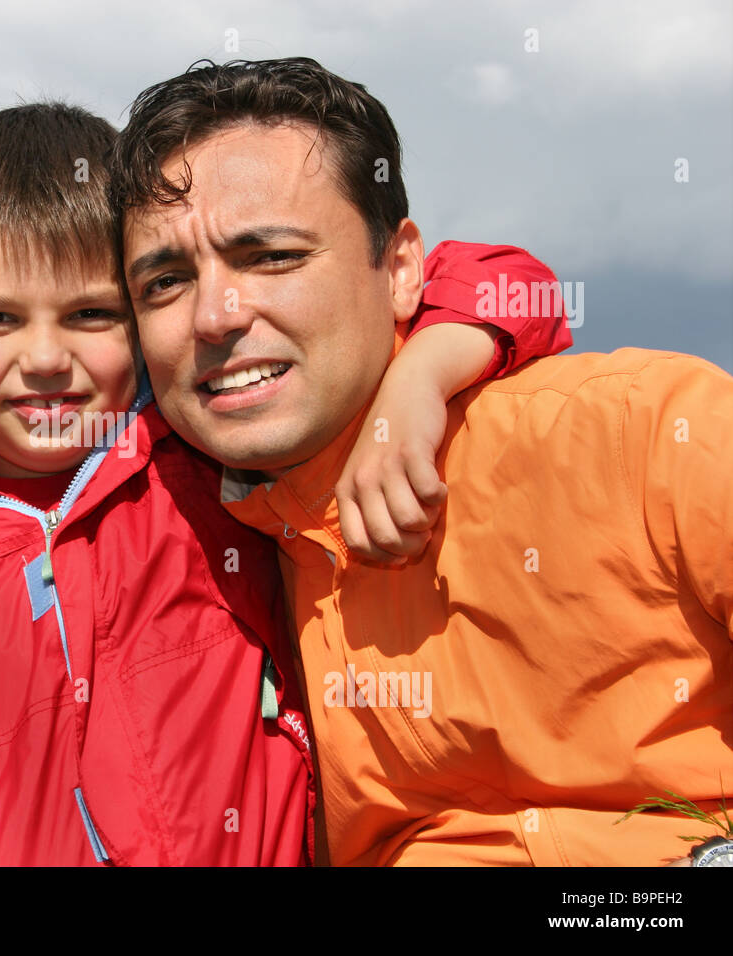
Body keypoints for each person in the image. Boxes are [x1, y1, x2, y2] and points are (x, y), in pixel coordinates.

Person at [0, 102, 569, 866]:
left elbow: (514, 284)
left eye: (90, 313)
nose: (44, 357)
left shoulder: (205, 459)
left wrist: (416, 388)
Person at [112, 57, 733, 866]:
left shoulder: (641, 430)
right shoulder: (181, 536)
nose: (214, 316)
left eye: (271, 257)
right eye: (165, 280)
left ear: (402, 270)